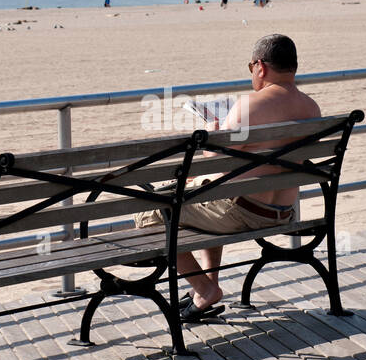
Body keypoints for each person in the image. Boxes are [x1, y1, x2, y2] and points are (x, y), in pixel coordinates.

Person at [134, 34, 320, 320]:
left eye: (251, 68)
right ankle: (206, 288)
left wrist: (212, 133)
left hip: (242, 212)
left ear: (260, 66)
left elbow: (215, 162)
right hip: (283, 213)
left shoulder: (251, 105)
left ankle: (204, 288)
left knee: (151, 211)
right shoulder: (312, 108)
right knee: (205, 194)